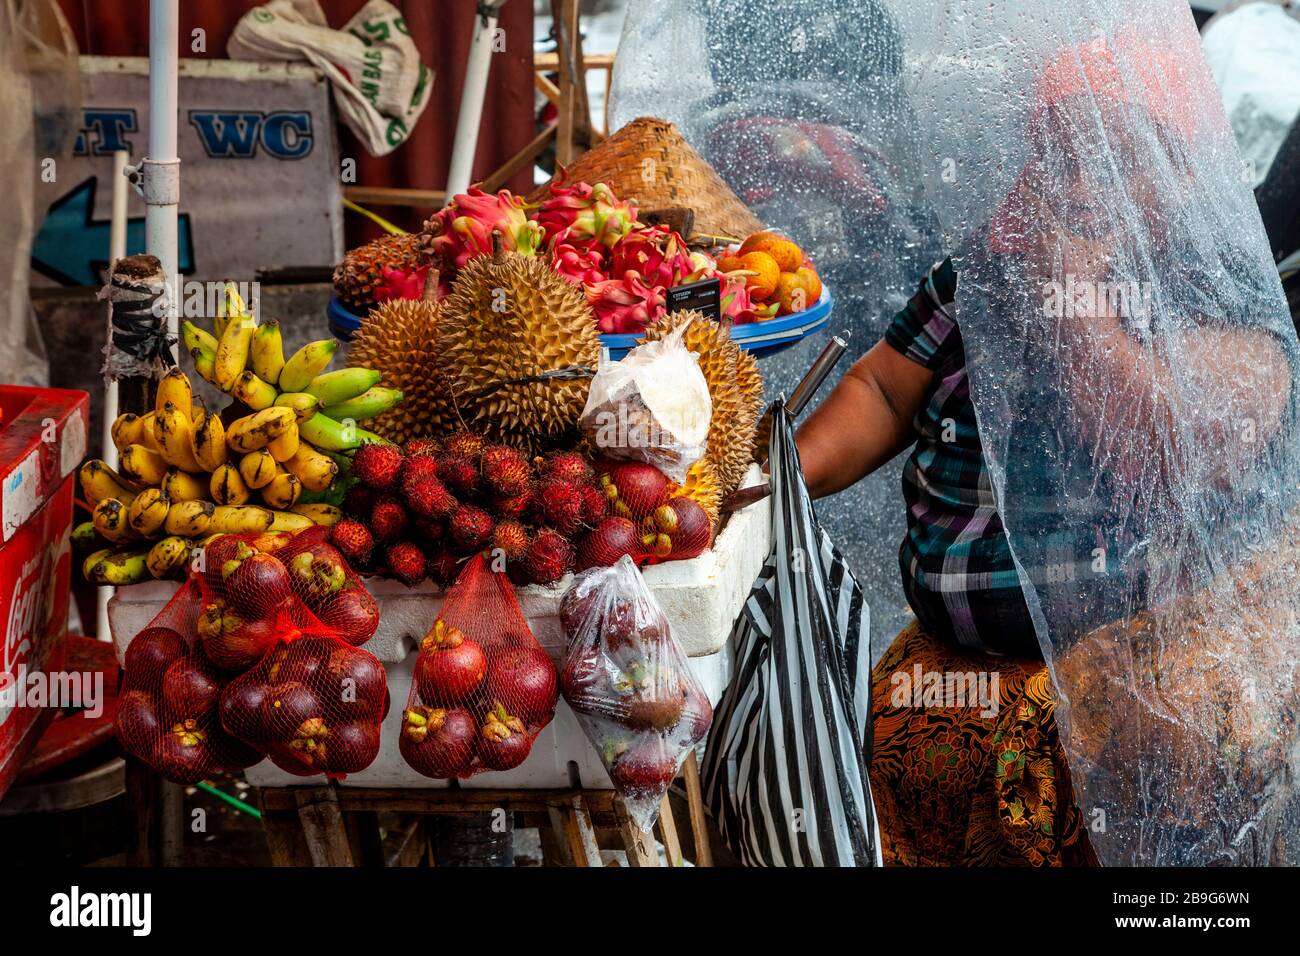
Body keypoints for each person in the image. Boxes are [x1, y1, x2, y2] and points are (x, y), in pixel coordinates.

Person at [795, 38, 1295, 866]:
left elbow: (1157, 452)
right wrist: (780, 472)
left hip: (1132, 629)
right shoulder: (985, 273)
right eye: (1062, 157)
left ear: (1182, 177)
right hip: (963, 632)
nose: (1083, 186)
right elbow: (885, 390)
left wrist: (1076, 300)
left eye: (1118, 158)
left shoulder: (1210, 287)